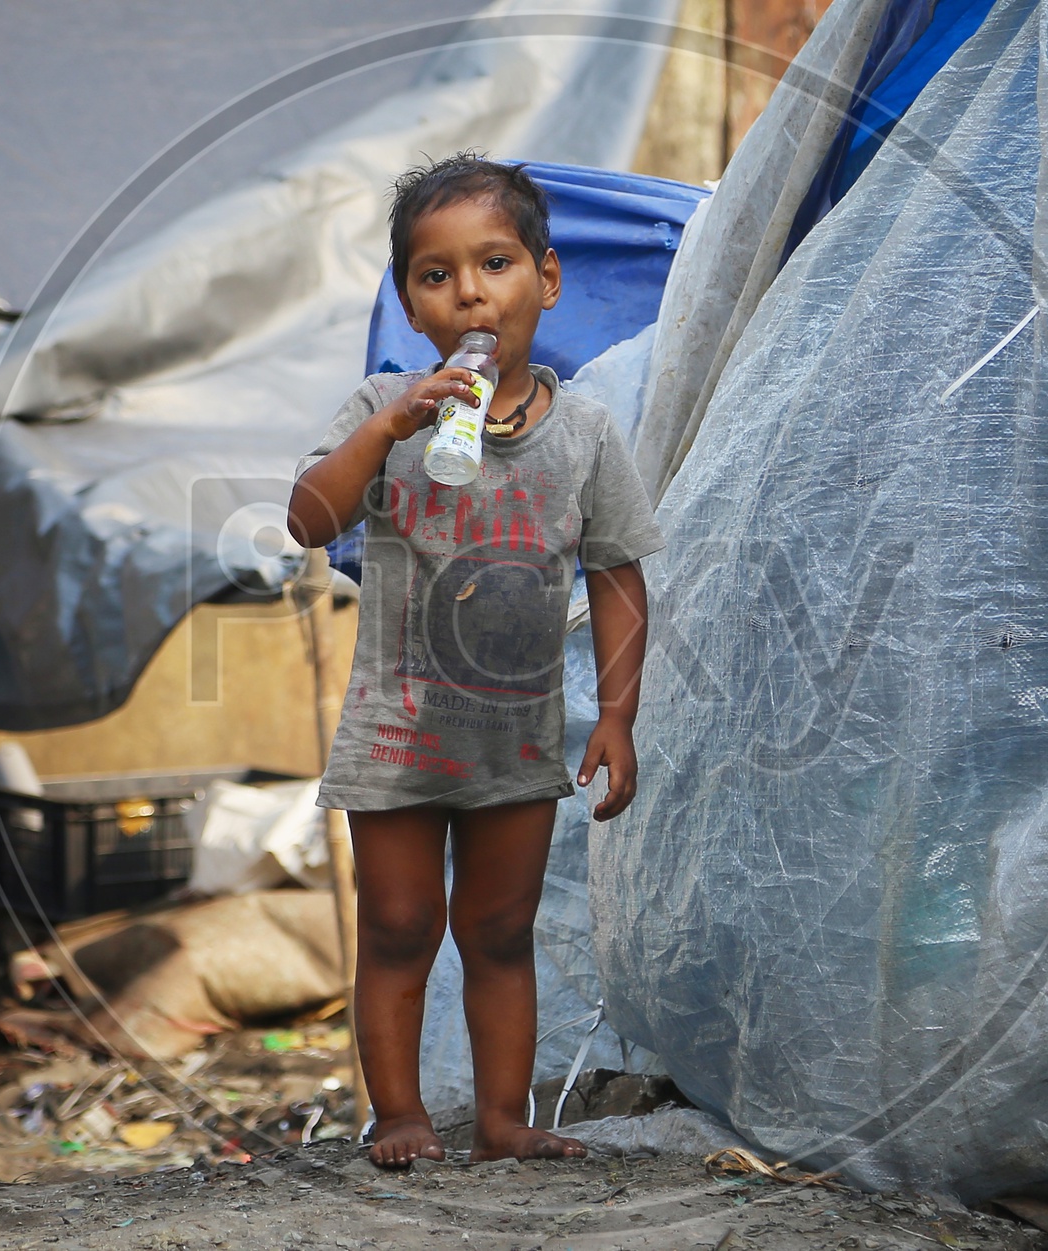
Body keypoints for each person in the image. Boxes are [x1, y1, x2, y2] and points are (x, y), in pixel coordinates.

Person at [287, 154, 664, 1168]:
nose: (468, 293)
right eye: (435, 274)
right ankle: (399, 1114)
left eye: (493, 263)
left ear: (545, 279)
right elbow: (308, 518)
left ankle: (503, 1118)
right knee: (401, 925)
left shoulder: (581, 430)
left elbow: (617, 573)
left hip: (515, 736)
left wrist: (618, 716)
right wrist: (390, 426)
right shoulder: (384, 407)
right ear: (410, 305)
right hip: (398, 733)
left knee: (500, 933)